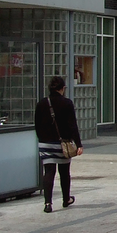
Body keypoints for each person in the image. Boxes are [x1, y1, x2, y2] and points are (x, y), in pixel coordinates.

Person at [34, 76, 83, 213]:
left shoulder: (42, 103)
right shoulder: (67, 103)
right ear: (62, 88)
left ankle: (48, 203)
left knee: (48, 172)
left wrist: (41, 139)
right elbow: (72, 125)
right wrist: (78, 144)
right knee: (64, 172)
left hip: (45, 143)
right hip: (62, 144)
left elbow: (37, 124)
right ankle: (66, 199)